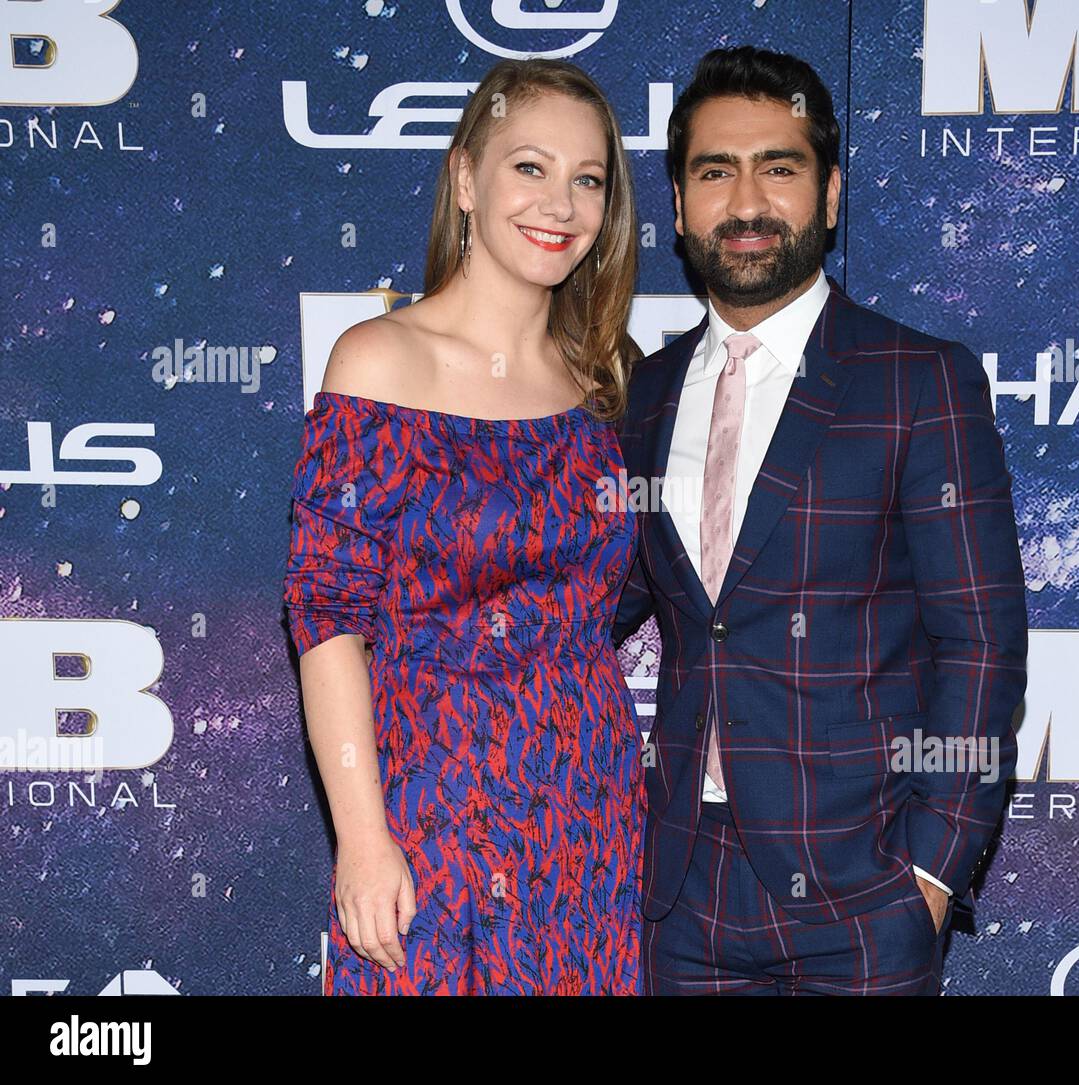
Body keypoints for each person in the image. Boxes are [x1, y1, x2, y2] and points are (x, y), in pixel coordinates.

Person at [613, 46, 1029, 995]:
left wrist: (929, 871)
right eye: (715, 171)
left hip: (865, 886)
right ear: (678, 206)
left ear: (830, 194)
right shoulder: (647, 393)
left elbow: (981, 643)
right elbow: (599, 596)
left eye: (780, 166)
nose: (747, 200)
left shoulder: (916, 381)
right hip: (684, 891)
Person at [283, 58, 645, 995]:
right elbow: (325, 614)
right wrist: (363, 835)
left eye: (588, 179)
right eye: (530, 167)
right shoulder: (377, 361)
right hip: (425, 798)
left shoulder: (610, 383)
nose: (559, 202)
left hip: (587, 804)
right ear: (464, 180)